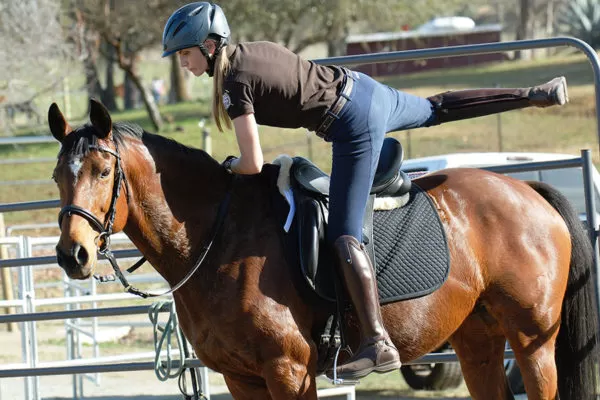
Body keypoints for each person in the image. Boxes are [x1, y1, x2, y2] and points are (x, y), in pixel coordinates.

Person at [162, 2, 569, 380]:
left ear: (211, 46)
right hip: (366, 91)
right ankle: (532, 94)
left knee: (344, 232)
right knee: (435, 108)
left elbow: (251, 163)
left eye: (185, 54)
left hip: (353, 126)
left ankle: (377, 341)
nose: (183, 63)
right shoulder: (251, 52)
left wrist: (228, 166)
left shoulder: (233, 81)